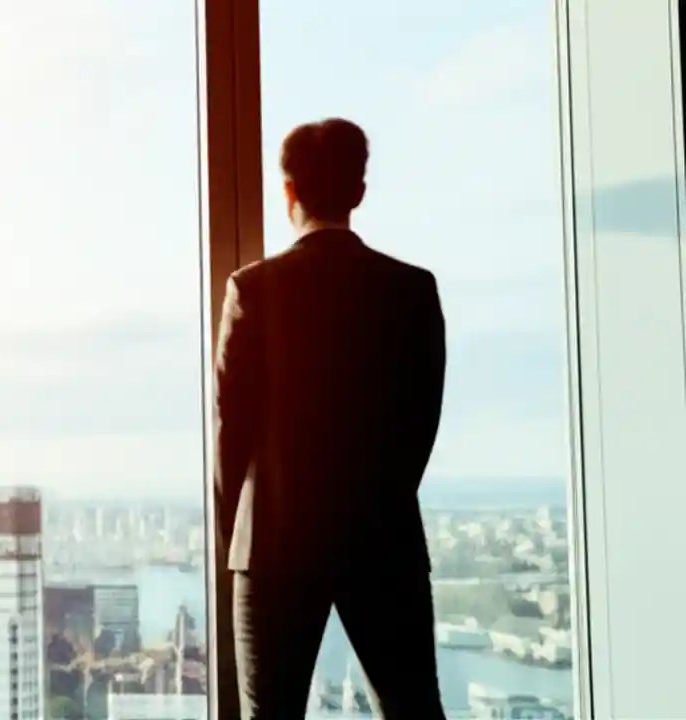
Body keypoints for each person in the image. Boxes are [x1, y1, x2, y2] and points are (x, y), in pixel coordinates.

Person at [213, 118, 447, 718]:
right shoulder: (412, 290)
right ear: (359, 192)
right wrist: (381, 502)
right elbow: (421, 423)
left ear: (288, 192)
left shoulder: (253, 290)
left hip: (274, 544)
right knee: (414, 709)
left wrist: (236, 536)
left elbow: (229, 433)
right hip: (383, 538)